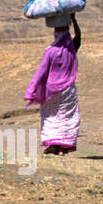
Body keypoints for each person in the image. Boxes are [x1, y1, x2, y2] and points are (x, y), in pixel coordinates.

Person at [24, 15, 82, 155]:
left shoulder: (50, 51)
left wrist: (32, 89)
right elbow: (79, 37)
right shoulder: (71, 49)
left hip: (52, 90)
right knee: (67, 115)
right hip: (68, 89)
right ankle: (63, 146)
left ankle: (54, 144)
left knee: (51, 115)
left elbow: (41, 71)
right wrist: (73, 20)